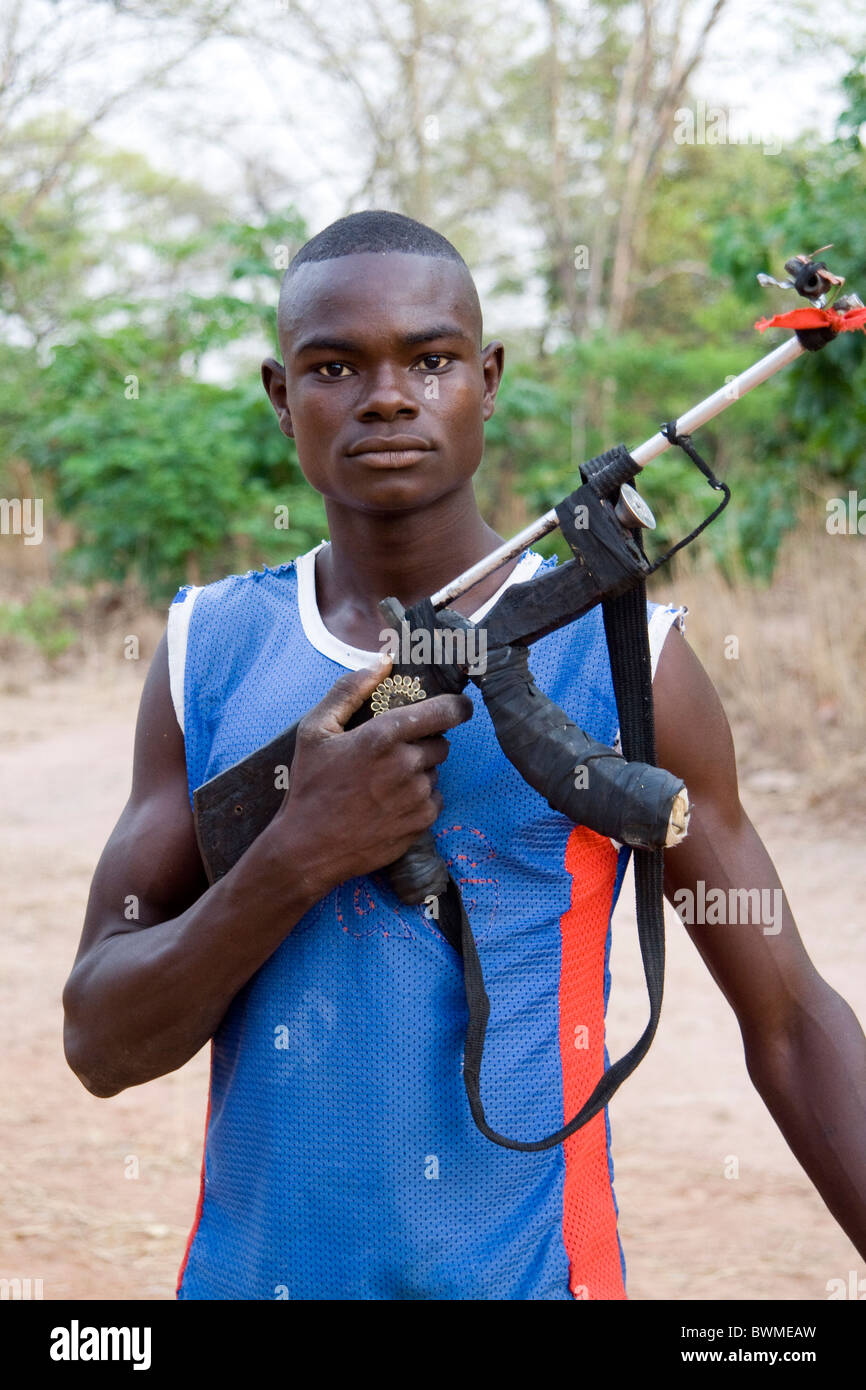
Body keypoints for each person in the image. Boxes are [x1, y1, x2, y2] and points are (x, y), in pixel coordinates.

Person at [63, 210, 866, 1301]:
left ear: (485, 380)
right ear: (278, 395)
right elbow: (102, 1041)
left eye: (430, 361)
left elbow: (788, 1016)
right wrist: (299, 852)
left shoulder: (629, 662)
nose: (387, 396)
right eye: (334, 366)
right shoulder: (208, 649)